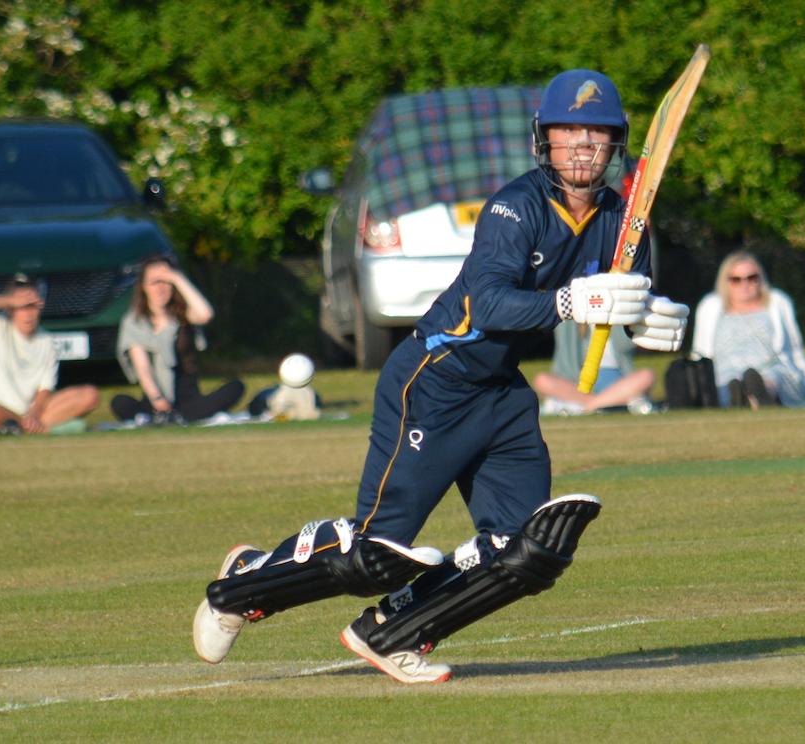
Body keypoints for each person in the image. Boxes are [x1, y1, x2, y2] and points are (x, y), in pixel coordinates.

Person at [192, 69, 689, 684]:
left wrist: (651, 318)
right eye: (568, 130)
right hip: (434, 380)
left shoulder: (623, 218)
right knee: (377, 555)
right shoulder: (515, 207)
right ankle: (244, 584)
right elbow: (493, 304)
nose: (581, 144)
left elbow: (625, 296)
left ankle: (395, 632)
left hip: (501, 394)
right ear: (544, 139)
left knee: (526, 553)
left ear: (617, 144)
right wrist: (576, 304)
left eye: (596, 131)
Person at [110, 256, 244, 423]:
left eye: (165, 282)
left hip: (190, 399)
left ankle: (175, 418)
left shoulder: (184, 315)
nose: (160, 288)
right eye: (154, 282)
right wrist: (158, 400)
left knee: (236, 387)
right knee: (120, 402)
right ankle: (162, 416)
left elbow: (205, 314)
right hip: (155, 400)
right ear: (143, 286)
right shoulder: (134, 323)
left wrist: (177, 277)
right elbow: (143, 370)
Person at [691, 251, 805, 409]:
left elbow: (794, 349)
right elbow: (699, 351)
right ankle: (739, 397)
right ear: (726, 282)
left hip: (770, 364)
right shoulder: (710, 306)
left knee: (773, 378)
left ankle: (761, 395)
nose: (745, 284)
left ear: (760, 278)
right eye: (736, 279)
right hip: (725, 368)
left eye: (752, 278)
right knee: (729, 380)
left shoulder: (777, 301)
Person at [0, 274, 99, 435]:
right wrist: (9, 300)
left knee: (90, 395)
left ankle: (23, 428)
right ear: (12, 309)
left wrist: (34, 414)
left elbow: (45, 387)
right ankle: (39, 429)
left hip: (34, 413)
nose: (28, 314)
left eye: (33, 306)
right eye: (23, 307)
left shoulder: (46, 340)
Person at [534, 319, 656, 414]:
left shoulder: (617, 313)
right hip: (577, 381)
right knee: (542, 380)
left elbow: (626, 344)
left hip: (616, 381)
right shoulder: (573, 319)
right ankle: (608, 403)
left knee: (647, 376)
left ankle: (583, 407)